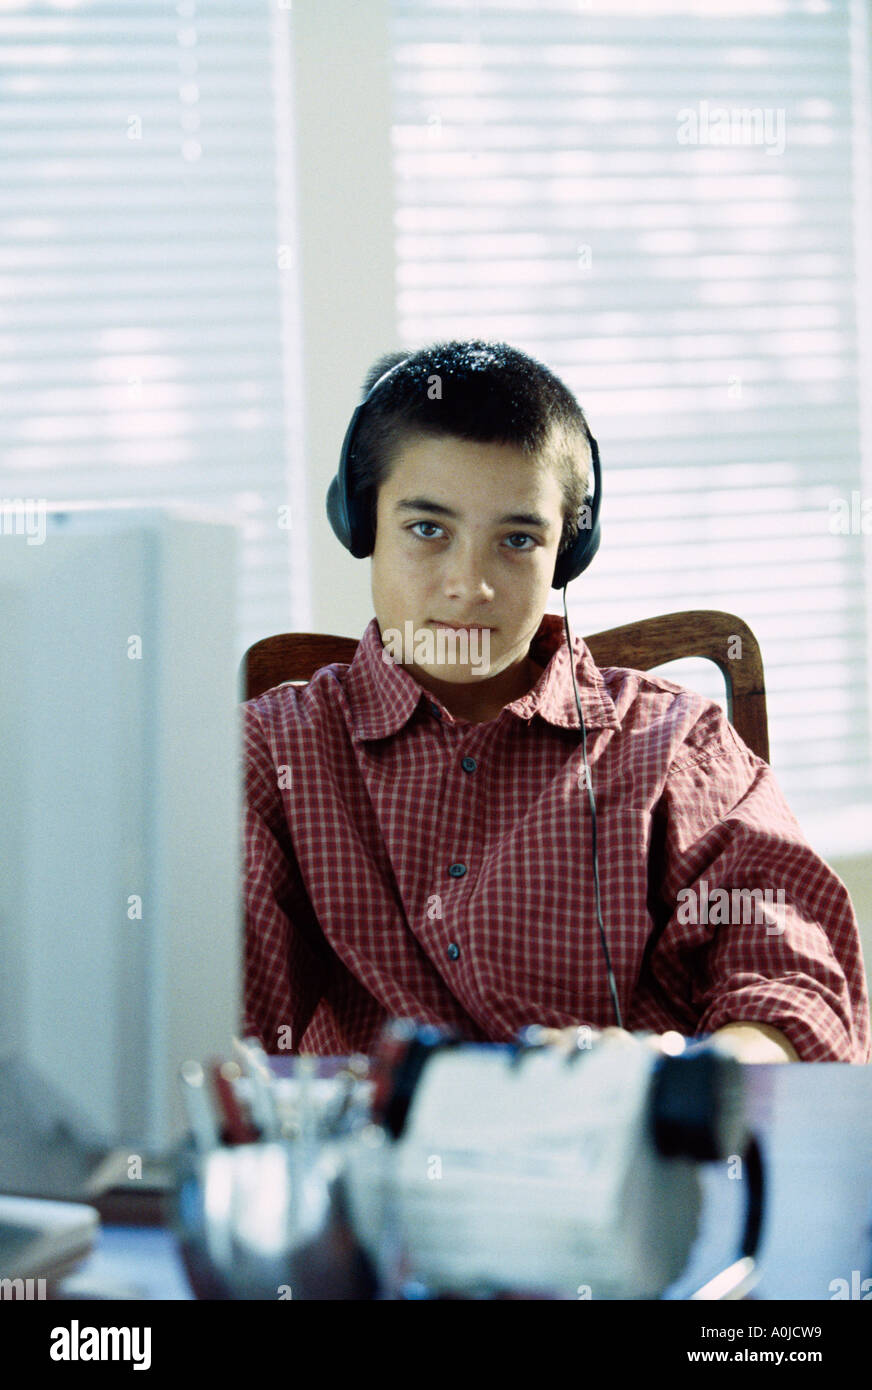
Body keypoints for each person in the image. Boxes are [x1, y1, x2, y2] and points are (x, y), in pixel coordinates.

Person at [242, 339, 870, 1063]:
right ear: (361, 522)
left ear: (569, 551)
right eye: (426, 529)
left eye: (517, 540)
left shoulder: (675, 742)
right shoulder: (272, 754)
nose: (468, 585)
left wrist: (678, 1077)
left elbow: (796, 988)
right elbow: (203, 1044)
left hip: (631, 1156)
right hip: (382, 1168)